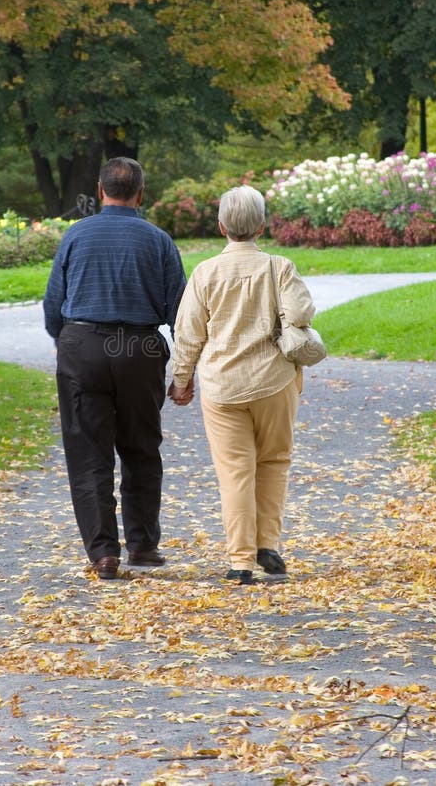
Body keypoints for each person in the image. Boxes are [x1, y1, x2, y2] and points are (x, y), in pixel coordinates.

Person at [43, 157, 189, 580]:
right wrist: (185, 368)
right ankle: (143, 546)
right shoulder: (159, 241)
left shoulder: (75, 236)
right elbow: (179, 311)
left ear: (101, 189)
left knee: (88, 452)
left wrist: (67, 344)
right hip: (140, 347)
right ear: (141, 194)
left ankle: (103, 552)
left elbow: (54, 305)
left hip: (82, 344)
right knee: (142, 448)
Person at [168, 185, 315, 585]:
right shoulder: (280, 267)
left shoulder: (205, 273)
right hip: (274, 382)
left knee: (235, 472)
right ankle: (268, 544)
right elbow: (301, 312)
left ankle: (240, 560)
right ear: (262, 226)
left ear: (221, 227)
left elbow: (189, 334)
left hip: (222, 388)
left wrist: (181, 380)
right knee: (274, 462)